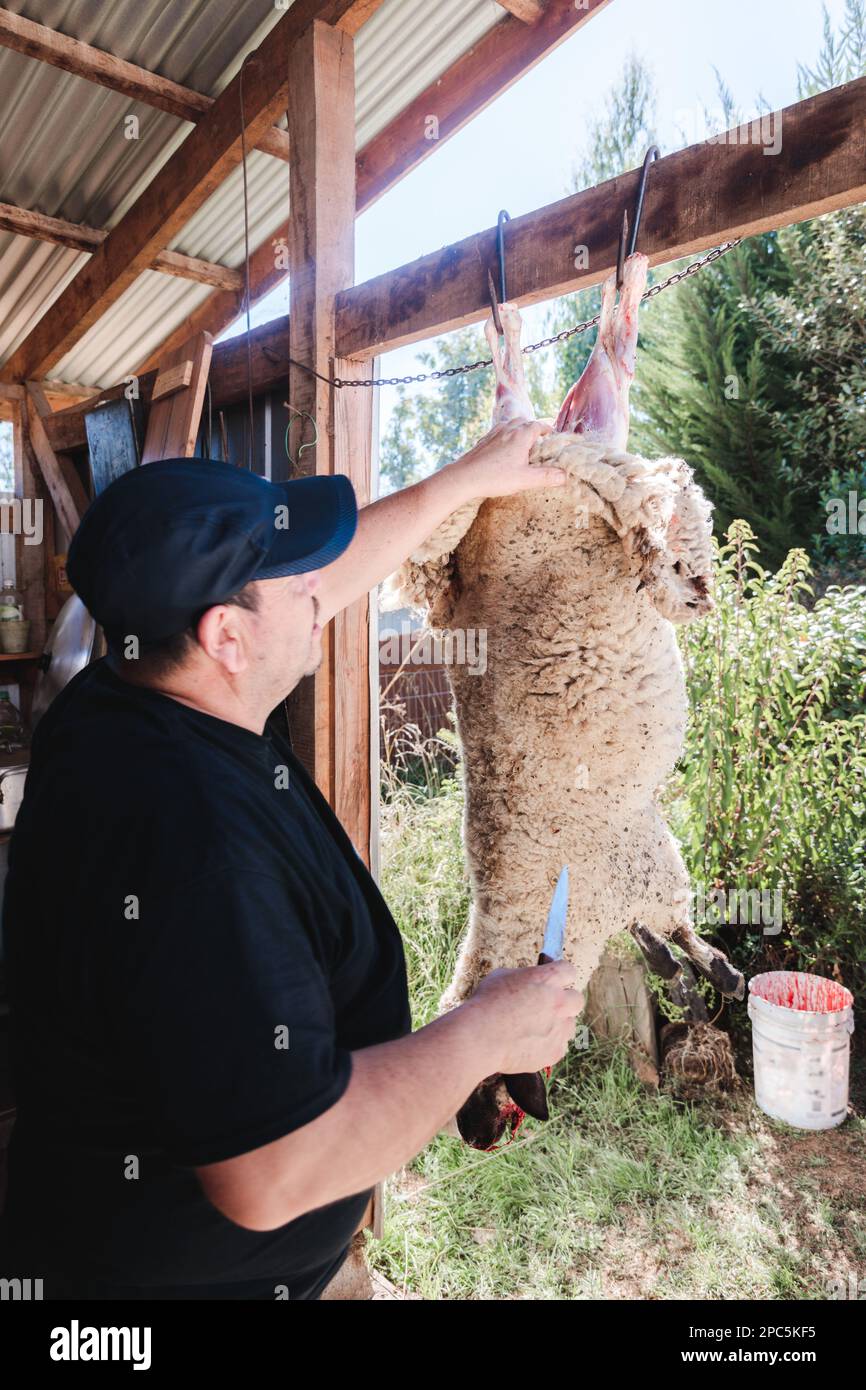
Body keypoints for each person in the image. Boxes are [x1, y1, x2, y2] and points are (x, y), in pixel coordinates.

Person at [1, 422, 581, 1300]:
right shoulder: (196, 847)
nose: (322, 588)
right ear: (225, 636)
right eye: (296, 575)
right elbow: (270, 1173)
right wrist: (484, 1037)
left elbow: (307, 598)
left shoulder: (126, 690)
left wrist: (462, 482)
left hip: (102, 1237)